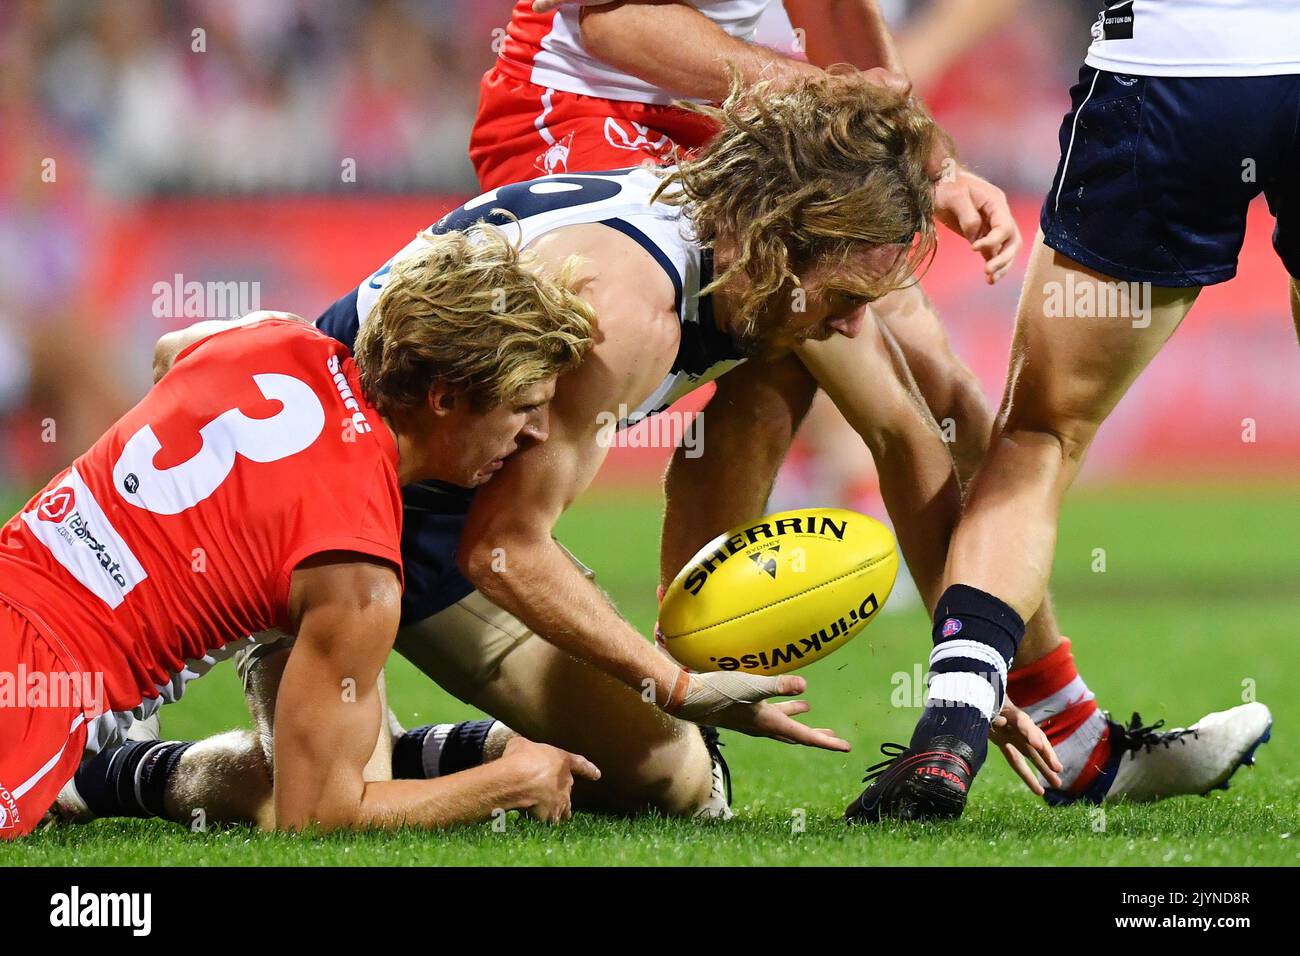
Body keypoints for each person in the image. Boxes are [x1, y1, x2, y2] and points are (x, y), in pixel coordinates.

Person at [504, 0, 1270, 811]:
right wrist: (823, 104)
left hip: (749, 121)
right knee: (821, 345)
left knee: (939, 394)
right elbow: (616, 25)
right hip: (585, 107)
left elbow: (848, 29)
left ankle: (1063, 731)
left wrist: (931, 164)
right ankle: (687, 707)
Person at [1, 231, 608, 838]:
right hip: (35, 690)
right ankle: (108, 764)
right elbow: (313, 817)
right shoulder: (357, 571)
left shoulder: (273, 333)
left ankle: (115, 763)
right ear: (445, 398)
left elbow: (170, 351)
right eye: (524, 406)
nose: (537, 433)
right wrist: (510, 782)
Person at [849, 0, 1284, 822]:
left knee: (1042, 434)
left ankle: (953, 724)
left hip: (1176, 64)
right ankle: (1066, 735)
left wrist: (919, 53)